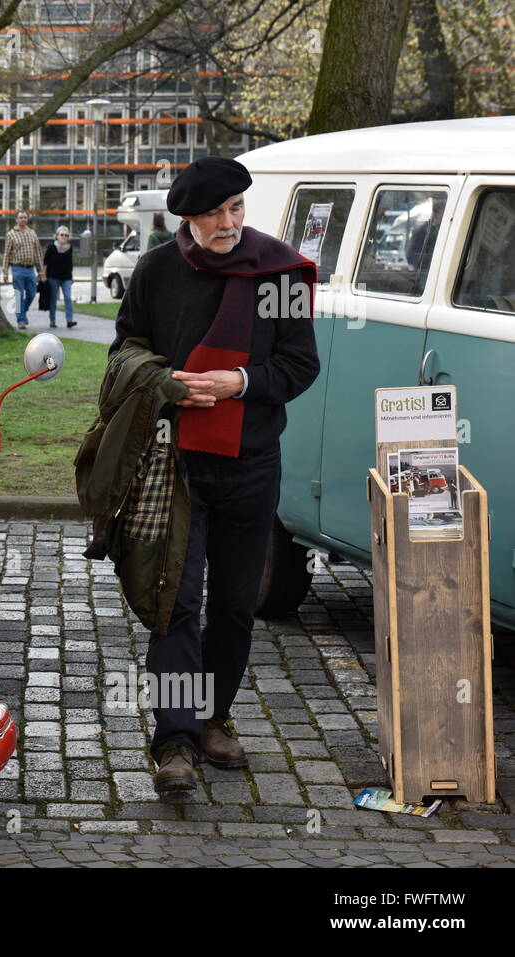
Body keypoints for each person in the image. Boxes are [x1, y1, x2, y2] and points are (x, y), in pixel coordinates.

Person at [109, 156, 320, 796]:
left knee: (234, 605)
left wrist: (242, 382)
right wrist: (164, 382)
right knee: (177, 599)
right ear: (188, 219)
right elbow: (124, 351)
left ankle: (212, 718)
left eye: (236, 210)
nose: (228, 224)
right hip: (176, 462)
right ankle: (173, 742)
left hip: (253, 464)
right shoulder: (155, 271)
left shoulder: (279, 269)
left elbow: (300, 365)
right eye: (214, 214)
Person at [0, 211, 45, 330]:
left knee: (31, 293)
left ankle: (22, 313)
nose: (23, 219)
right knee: (19, 295)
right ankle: (20, 320)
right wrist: (5, 272)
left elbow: (38, 253)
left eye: (25, 217)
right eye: (21, 217)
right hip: (17, 269)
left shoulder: (32, 233)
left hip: (30, 269)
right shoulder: (11, 234)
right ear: (16, 220)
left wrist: (40, 271)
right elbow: (7, 254)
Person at [42, 226, 76, 329]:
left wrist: (72, 276)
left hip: (66, 277)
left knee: (68, 298)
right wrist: (43, 274)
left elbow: (70, 263)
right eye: (61, 234)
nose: (64, 237)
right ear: (56, 236)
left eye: (66, 235)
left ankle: (69, 320)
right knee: (53, 299)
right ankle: (52, 320)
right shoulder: (51, 247)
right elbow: (45, 262)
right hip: (53, 277)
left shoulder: (70, 248)